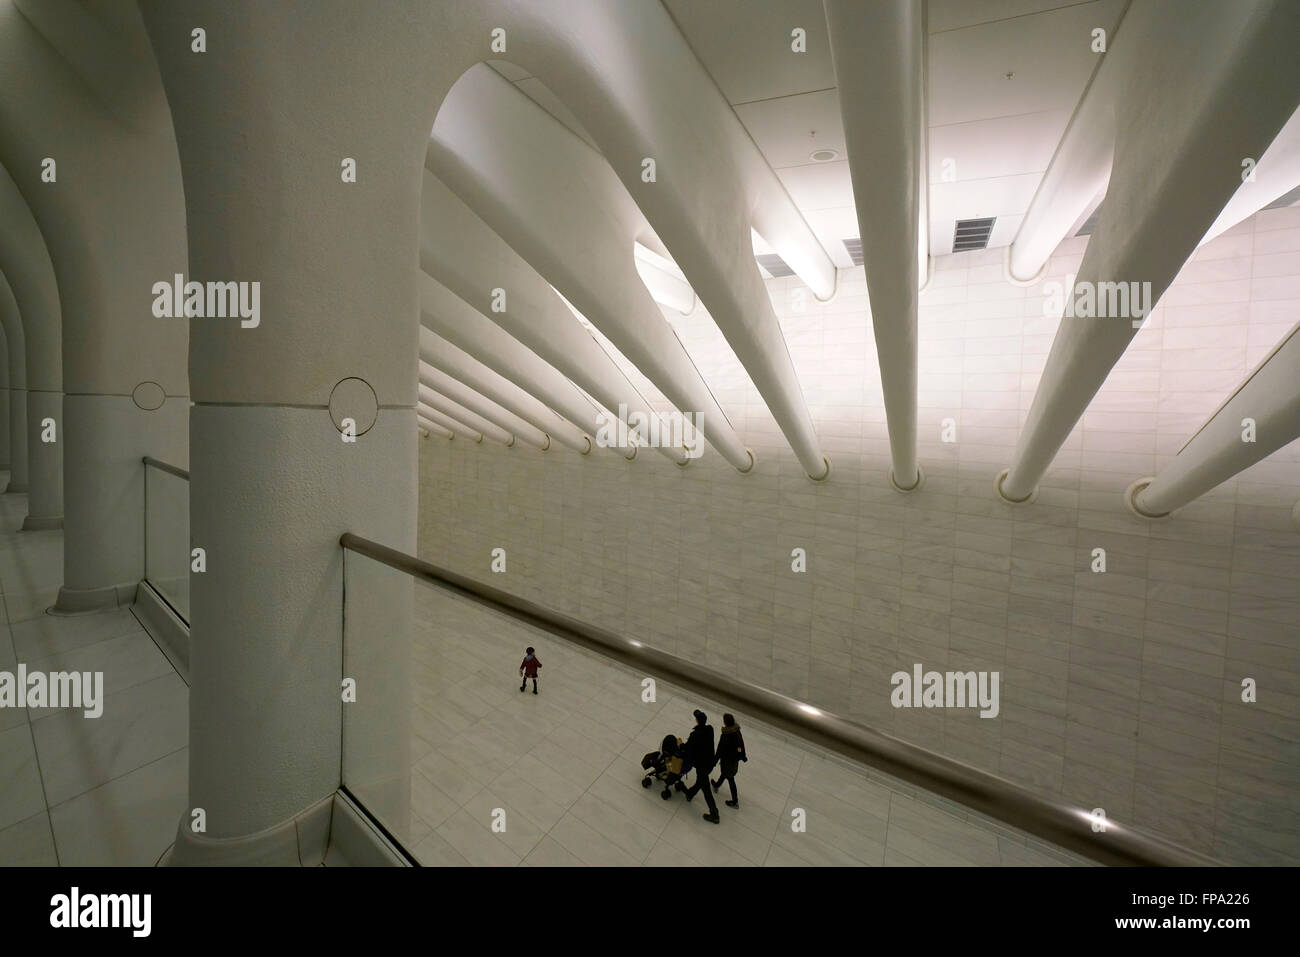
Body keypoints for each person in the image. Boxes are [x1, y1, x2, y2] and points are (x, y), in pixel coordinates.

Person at [681, 709, 720, 823]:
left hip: (701, 765)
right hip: (709, 763)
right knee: (701, 781)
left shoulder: (695, 734)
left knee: (706, 789)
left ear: (697, 721)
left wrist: (681, 745)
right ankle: (690, 793)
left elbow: (688, 748)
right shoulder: (710, 730)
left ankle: (714, 814)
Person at [711, 713, 747, 809]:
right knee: (725, 774)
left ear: (725, 722)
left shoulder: (726, 735)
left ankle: (735, 801)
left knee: (730, 779)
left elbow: (720, 749)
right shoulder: (737, 732)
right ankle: (717, 785)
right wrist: (743, 756)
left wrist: (714, 761)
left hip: (727, 761)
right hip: (734, 761)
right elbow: (741, 745)